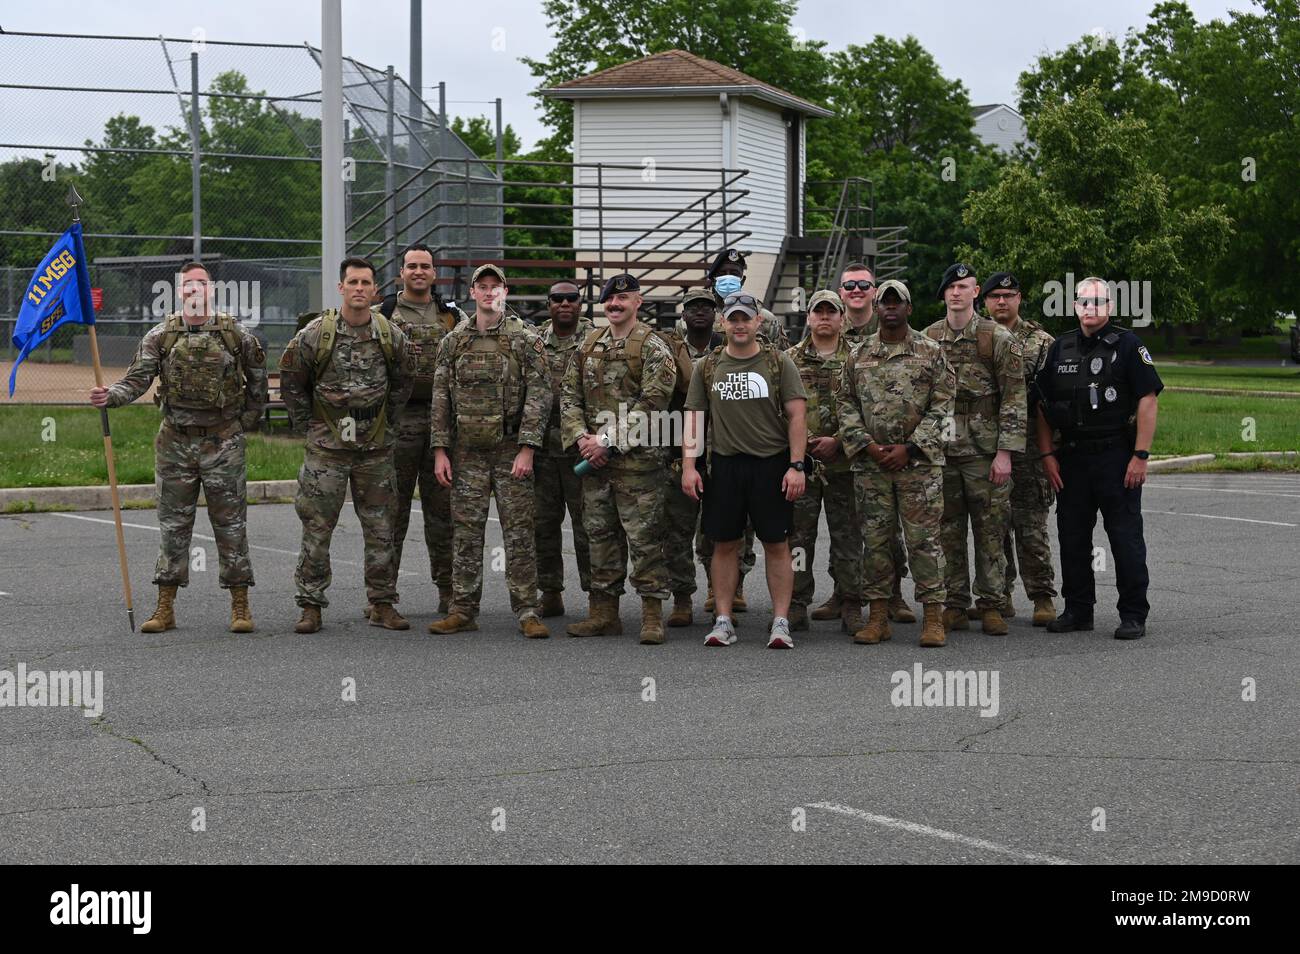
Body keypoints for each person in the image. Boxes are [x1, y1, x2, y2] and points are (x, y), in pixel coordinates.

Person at [90, 261, 267, 634]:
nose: (194, 290)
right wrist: (111, 396)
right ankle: (165, 608)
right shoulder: (162, 335)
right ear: (179, 291)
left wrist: (243, 423)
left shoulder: (235, 334)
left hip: (223, 442)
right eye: (188, 285)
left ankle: (240, 606)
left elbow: (257, 379)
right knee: (173, 526)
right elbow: (136, 380)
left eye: (201, 283)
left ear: (212, 290)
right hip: (175, 443)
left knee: (231, 525)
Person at [279, 257, 414, 634]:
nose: (358, 288)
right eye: (352, 282)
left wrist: (385, 421)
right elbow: (292, 379)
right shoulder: (315, 334)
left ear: (374, 290)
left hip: (375, 449)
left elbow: (405, 380)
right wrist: (309, 422)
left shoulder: (391, 335)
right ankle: (310, 605)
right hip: (327, 450)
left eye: (365, 283)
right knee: (317, 528)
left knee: (381, 528)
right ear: (341, 288)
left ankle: (382, 603)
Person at [428, 264, 552, 638]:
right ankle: (462, 609)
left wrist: (528, 447)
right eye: (481, 287)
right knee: (465, 533)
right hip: (467, 452)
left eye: (494, 287)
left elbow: (540, 395)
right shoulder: (454, 341)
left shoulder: (524, 339)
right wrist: (440, 450)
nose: (487, 293)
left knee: (518, 534)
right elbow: (440, 398)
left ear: (505, 292)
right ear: (472, 293)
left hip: (510, 448)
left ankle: (528, 610)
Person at [1035, 275, 1162, 640]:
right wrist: (1046, 454)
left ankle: (1133, 613)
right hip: (1071, 458)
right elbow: (1041, 405)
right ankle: (1078, 610)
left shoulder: (1128, 345)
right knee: (1072, 536)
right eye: (1083, 301)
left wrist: (1140, 455)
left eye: (1097, 302)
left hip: (1116, 457)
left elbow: (1148, 399)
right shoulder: (1060, 349)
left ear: (1110, 306)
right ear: (1074, 306)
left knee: (1124, 537)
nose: (1090, 308)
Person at [682, 292, 808, 649]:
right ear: (724, 323)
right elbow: (694, 419)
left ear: (757, 322)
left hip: (771, 464)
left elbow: (798, 416)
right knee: (723, 544)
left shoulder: (778, 362)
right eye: (733, 319)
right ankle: (723, 620)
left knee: (777, 544)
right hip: (725, 465)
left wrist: (796, 466)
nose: (739, 325)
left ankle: (780, 622)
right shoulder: (707, 367)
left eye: (745, 319)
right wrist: (689, 466)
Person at [562, 274, 679, 644]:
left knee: (645, 540)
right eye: (610, 300)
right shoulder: (588, 344)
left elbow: (654, 402)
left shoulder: (653, 347)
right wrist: (582, 438)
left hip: (638, 466)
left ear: (638, 302)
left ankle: (651, 615)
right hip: (595, 465)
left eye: (623, 298)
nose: (615, 305)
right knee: (599, 538)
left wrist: (607, 441)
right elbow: (568, 394)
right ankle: (603, 613)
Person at [837, 280, 954, 647]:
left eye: (896, 302)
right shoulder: (858, 354)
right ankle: (878, 617)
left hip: (918, 466)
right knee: (875, 542)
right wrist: (867, 445)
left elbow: (943, 405)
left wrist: (912, 447)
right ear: (878, 307)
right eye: (884, 302)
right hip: (871, 466)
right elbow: (844, 403)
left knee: (924, 542)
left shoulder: (932, 351)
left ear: (908, 308)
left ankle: (933, 618)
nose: (890, 307)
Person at [924, 263, 1026, 636]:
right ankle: (954, 603)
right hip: (942, 453)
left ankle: (992, 604)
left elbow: (1015, 398)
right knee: (947, 531)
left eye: (963, 286)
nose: (956, 293)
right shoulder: (928, 339)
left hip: (984, 452)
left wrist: (1005, 453)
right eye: (950, 286)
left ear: (975, 291)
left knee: (991, 531)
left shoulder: (995, 337)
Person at [381, 243, 466, 620]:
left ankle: (448, 592)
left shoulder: (452, 316)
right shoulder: (382, 314)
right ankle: (382, 596)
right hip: (396, 423)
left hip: (441, 426)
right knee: (390, 514)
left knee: (442, 513)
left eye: (425, 266)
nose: (418, 272)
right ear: (401, 272)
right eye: (412, 266)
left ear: (434, 274)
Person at [838, 261, 915, 623]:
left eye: (863, 285)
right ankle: (846, 595)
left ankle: (894, 595)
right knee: (853, 531)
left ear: (874, 292)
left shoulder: (889, 324)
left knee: (889, 532)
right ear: (841, 293)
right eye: (849, 285)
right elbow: (842, 399)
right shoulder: (830, 328)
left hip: (889, 452)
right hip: (851, 449)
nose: (856, 291)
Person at [981, 271, 1058, 626]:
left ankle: (1042, 595)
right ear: (985, 300)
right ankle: (999, 595)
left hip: (1028, 447)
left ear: (1019, 299)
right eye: (995, 295)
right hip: (985, 443)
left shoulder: (1042, 342)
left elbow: (1050, 399)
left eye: (1008, 295)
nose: (1001, 301)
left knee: (1030, 525)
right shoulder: (977, 337)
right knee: (993, 526)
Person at [785, 289, 863, 634]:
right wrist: (802, 446)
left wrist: (842, 442)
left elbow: (870, 410)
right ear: (809, 318)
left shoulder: (860, 358)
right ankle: (796, 602)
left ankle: (850, 602)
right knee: (798, 538)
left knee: (848, 538)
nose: (825, 317)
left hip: (845, 463)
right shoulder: (788, 360)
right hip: (802, 464)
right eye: (819, 312)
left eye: (832, 312)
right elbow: (778, 411)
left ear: (842, 318)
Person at [657, 289, 721, 626]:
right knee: (677, 531)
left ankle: (719, 591)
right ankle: (682, 598)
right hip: (678, 450)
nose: (700, 312)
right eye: (693, 307)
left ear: (716, 314)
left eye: (706, 307)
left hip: (722, 450)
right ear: (683, 314)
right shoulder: (668, 347)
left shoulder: (727, 347)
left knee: (720, 530)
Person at [533, 280, 596, 617]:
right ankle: (551, 592)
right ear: (549, 304)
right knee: (543, 526)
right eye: (557, 299)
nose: (565, 304)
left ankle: (595, 595)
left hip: (580, 450)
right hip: (543, 449)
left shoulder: (595, 339)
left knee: (588, 527)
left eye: (571, 298)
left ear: (580, 303)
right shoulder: (535, 340)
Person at [705, 247, 790, 349]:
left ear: (742, 280)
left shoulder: (765, 318)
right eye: (722, 273)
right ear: (713, 280)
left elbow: (783, 357)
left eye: (734, 274)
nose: (728, 278)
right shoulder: (701, 316)